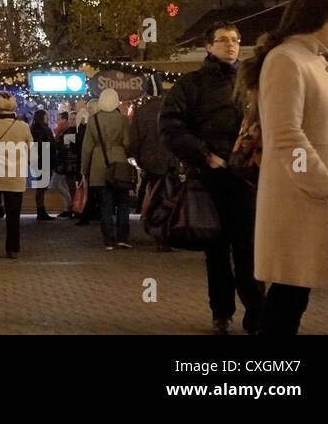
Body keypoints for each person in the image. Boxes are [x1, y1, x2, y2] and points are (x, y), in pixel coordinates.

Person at [242, 0, 328, 335]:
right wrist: (323, 182)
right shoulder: (286, 60)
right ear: (319, 20)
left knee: (292, 293)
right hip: (307, 200)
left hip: (324, 202)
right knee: (291, 292)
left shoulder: (313, 58)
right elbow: (285, 136)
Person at [162, 21, 264, 335]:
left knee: (248, 249)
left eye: (235, 39)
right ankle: (221, 313)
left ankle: (256, 316)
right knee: (217, 250)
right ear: (209, 46)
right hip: (211, 177)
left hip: (247, 177)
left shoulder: (251, 82)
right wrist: (205, 155)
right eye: (222, 40)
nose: (230, 45)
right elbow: (171, 127)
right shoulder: (191, 84)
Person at [81, 88, 132, 251]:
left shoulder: (93, 120)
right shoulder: (122, 120)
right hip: (119, 164)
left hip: (99, 165)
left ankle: (109, 240)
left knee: (106, 204)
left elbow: (87, 147)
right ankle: (122, 238)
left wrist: (84, 170)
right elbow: (128, 143)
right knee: (123, 203)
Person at [0, 94, 33, 259]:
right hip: (15, 178)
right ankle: (12, 249)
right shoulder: (24, 127)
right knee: (13, 215)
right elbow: (32, 153)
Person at [128, 80, 175, 251]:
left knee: (155, 198)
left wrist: (139, 160)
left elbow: (134, 141)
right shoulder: (170, 109)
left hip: (150, 164)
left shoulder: (141, 112)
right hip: (170, 163)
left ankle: (159, 234)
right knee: (170, 199)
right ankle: (169, 234)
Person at [29, 108, 56, 220]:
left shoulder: (33, 129)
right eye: (46, 116)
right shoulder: (44, 129)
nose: (48, 118)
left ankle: (41, 210)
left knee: (41, 186)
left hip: (38, 160)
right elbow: (48, 144)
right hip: (45, 159)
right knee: (42, 187)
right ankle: (41, 211)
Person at [52, 112, 76, 217]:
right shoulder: (66, 131)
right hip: (65, 162)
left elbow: (63, 147)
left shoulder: (73, 132)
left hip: (67, 163)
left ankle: (70, 207)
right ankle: (69, 208)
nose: (71, 120)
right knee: (66, 185)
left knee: (59, 184)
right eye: (71, 118)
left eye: (73, 119)